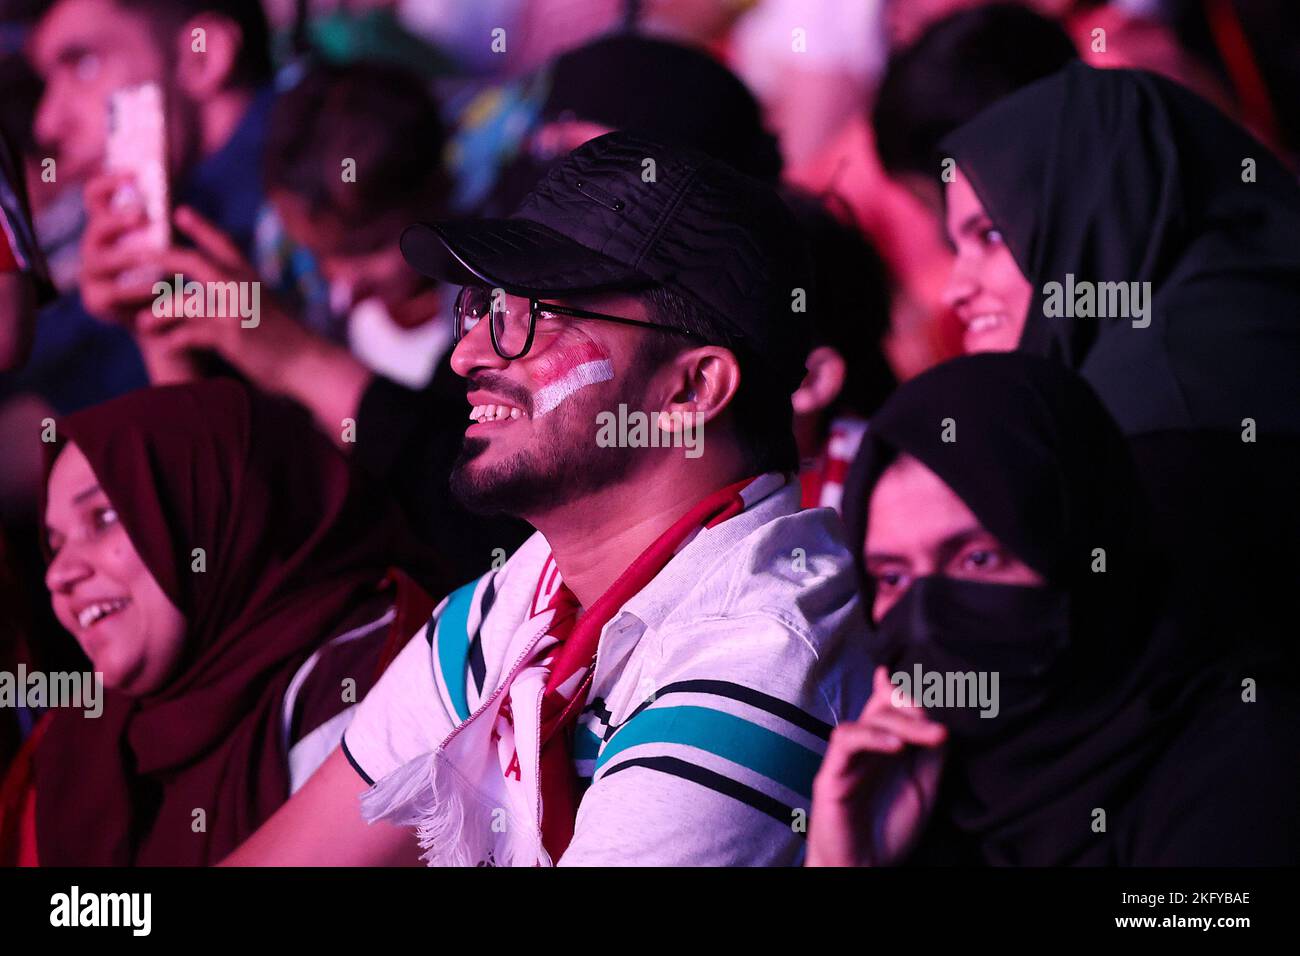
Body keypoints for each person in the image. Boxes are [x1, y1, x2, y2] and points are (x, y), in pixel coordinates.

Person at [223, 131, 871, 867]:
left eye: (540, 316)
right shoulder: (519, 605)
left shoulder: (760, 655)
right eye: (485, 307)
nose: (468, 354)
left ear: (690, 390)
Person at [808, 352, 1300, 866]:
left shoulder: (1243, 767)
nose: (927, 615)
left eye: (978, 558)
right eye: (893, 578)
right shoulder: (911, 790)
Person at [939, 62, 1300, 656]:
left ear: (1091, 210)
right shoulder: (1237, 328)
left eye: (992, 236)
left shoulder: (1152, 423)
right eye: (954, 246)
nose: (957, 288)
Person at [0, 379, 435, 865]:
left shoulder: (372, 678)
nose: (59, 574)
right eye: (54, 544)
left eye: (103, 518)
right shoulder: (74, 743)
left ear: (215, 506)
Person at [134, 60, 531, 572]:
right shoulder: (300, 295)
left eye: (368, 248)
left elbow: (479, 514)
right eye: (320, 255)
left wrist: (299, 360)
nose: (344, 284)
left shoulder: (499, 317)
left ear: (438, 189)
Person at [23, 0, 311, 406]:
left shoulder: (319, 194)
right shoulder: (164, 214)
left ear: (203, 57)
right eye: (47, 82)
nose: (47, 123)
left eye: (84, 66)